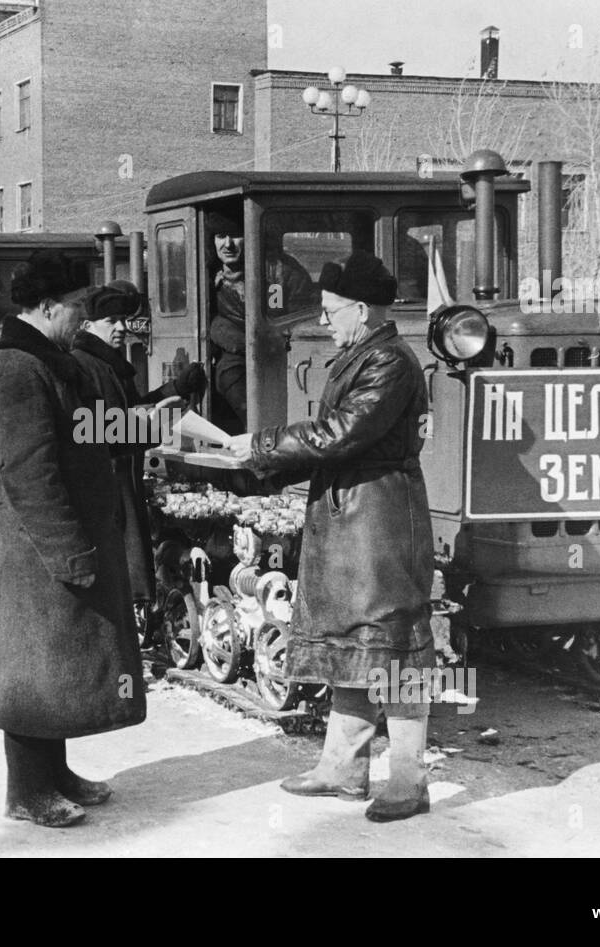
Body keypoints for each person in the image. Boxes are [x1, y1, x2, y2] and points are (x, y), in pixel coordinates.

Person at [229, 250, 435, 823]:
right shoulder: (362, 355)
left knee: (391, 642)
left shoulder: (389, 361)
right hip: (353, 514)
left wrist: (264, 445)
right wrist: (260, 461)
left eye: (330, 311)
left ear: (362, 310)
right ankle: (343, 767)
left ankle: (409, 780)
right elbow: (334, 442)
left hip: (380, 520)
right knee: (351, 640)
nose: (324, 322)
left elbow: (342, 433)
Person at [0, 251, 146, 828]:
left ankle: (55, 773)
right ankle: (25, 790)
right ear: (50, 307)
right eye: (78, 306)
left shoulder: (47, 360)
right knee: (32, 664)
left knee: (56, 663)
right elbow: (30, 474)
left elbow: (84, 434)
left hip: (61, 538)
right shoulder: (18, 369)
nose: (84, 316)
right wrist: (68, 549)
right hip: (40, 545)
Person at [71, 280, 206, 640]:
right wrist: (157, 421)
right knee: (113, 565)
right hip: (106, 482)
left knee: (122, 563)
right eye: (110, 322)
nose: (120, 328)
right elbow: (94, 429)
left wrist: (173, 390)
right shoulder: (84, 367)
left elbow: (128, 410)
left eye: (123, 321)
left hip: (121, 477)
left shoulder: (107, 365)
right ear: (87, 326)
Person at [206, 210, 314, 432]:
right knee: (229, 373)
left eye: (236, 235)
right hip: (236, 357)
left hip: (282, 357)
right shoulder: (208, 279)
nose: (228, 244)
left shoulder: (283, 273)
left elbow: (301, 321)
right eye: (220, 236)